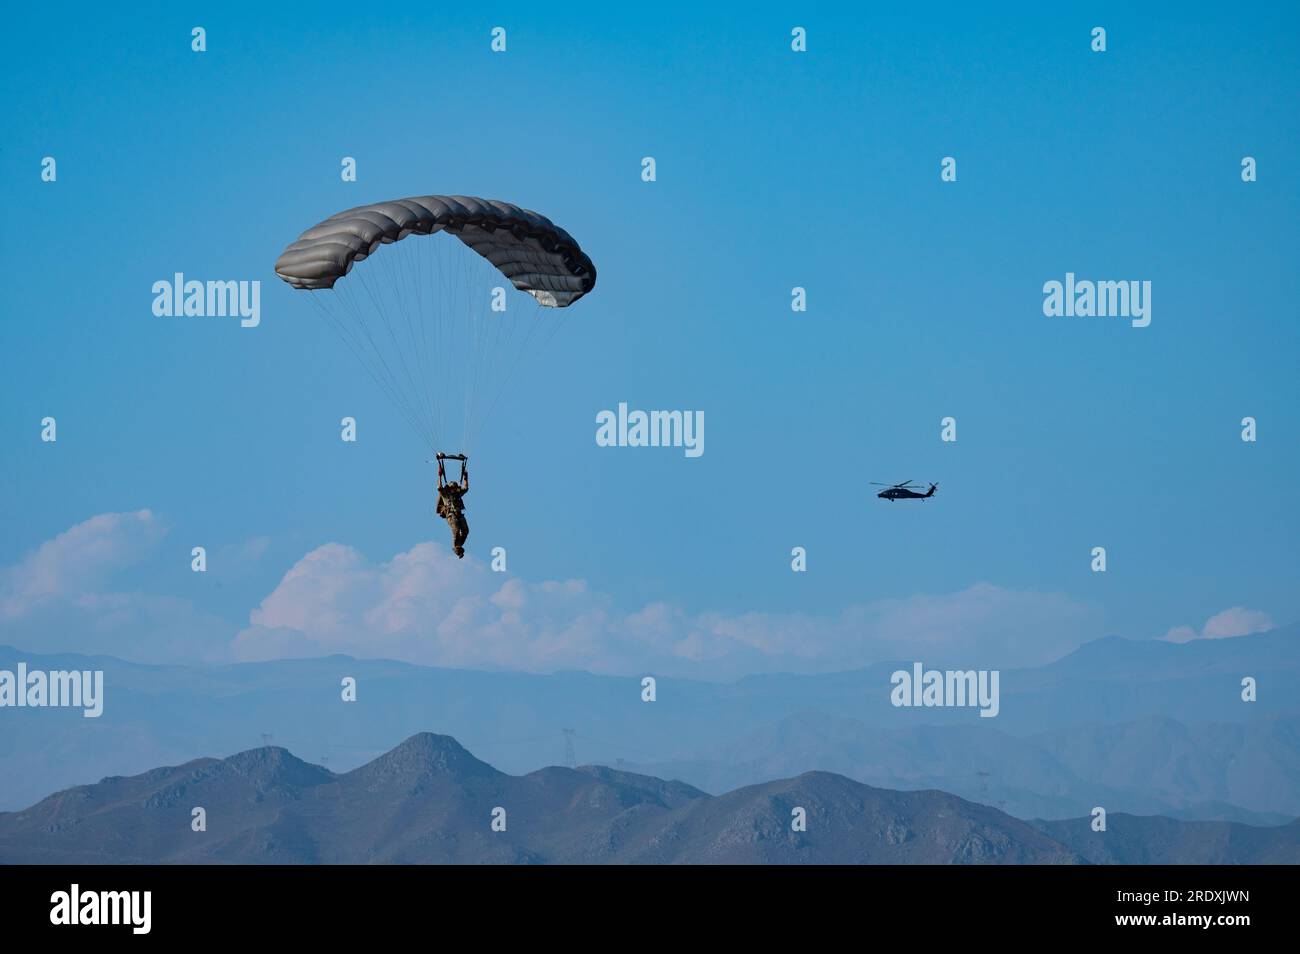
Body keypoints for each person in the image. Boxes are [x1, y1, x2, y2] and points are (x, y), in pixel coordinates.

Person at [436, 455, 469, 558]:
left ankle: (459, 546)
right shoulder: (445, 495)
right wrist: (440, 476)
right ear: (450, 488)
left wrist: (465, 478)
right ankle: (456, 547)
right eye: (453, 488)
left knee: (465, 531)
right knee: (456, 530)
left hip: (459, 514)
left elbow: (466, 488)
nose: (455, 489)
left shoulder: (458, 494)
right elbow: (439, 487)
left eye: (455, 488)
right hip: (451, 515)